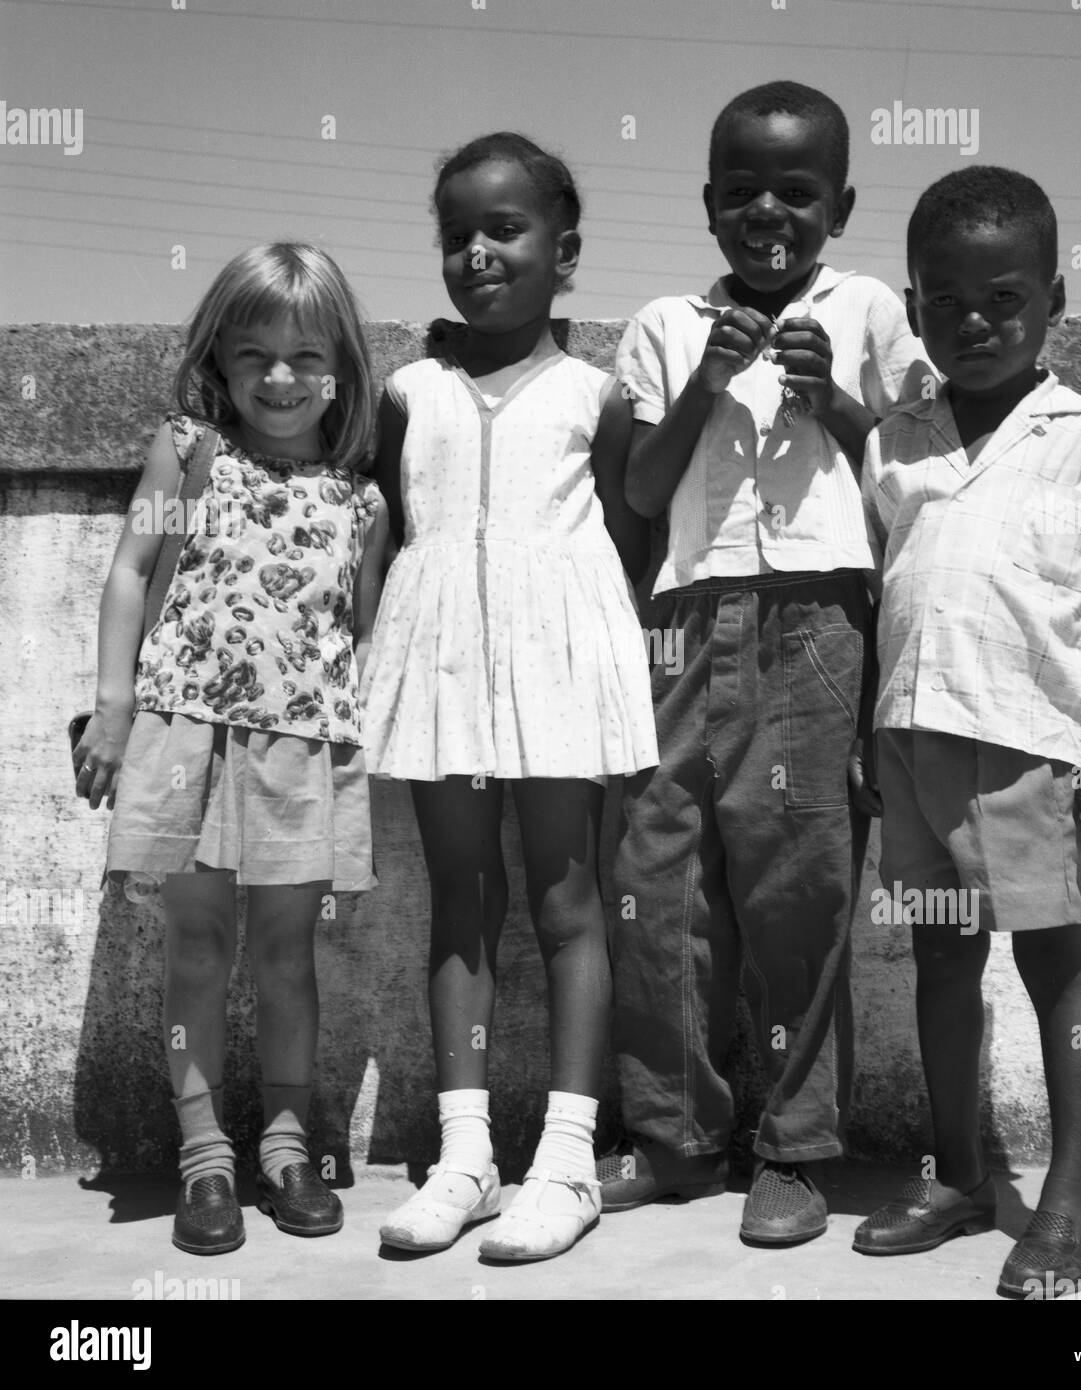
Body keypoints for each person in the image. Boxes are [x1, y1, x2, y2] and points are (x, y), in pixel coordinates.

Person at [599, 81, 934, 1245]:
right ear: (705, 203)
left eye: (795, 192)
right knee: (660, 878)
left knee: (797, 886)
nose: (767, 213)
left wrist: (829, 399)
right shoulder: (661, 324)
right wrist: (707, 380)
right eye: (740, 191)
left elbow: (912, 477)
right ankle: (673, 1136)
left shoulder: (872, 311)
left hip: (817, 619)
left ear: (839, 203)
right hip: (685, 618)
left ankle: (793, 1149)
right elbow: (641, 493)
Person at [854, 166, 1081, 1297]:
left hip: (1030, 745)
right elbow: (883, 587)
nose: (973, 321)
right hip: (911, 744)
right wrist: (864, 743)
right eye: (944, 302)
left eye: (1002, 298)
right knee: (941, 957)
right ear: (913, 304)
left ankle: (1073, 1197)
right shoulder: (893, 439)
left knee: (1051, 959)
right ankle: (955, 1175)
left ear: (1052, 297)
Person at [364, 132, 658, 1262]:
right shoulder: (407, 391)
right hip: (440, 664)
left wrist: (575, 655)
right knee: (459, 901)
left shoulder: (598, 395)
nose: (477, 251)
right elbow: (391, 527)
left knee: (568, 901)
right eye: (456, 235)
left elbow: (623, 550)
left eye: (505, 229)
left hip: (558, 668)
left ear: (564, 252)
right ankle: (466, 1152)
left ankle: (569, 1158)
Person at [75, 242, 388, 1254]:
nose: (280, 377)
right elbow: (131, 573)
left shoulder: (360, 496)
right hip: (187, 737)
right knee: (199, 948)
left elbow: (362, 630)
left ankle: (287, 1143)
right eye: (254, 354)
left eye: (304, 355)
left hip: (302, 748)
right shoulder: (189, 453)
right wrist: (113, 710)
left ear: (342, 365)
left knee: (290, 956)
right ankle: (204, 1153)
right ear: (218, 357)